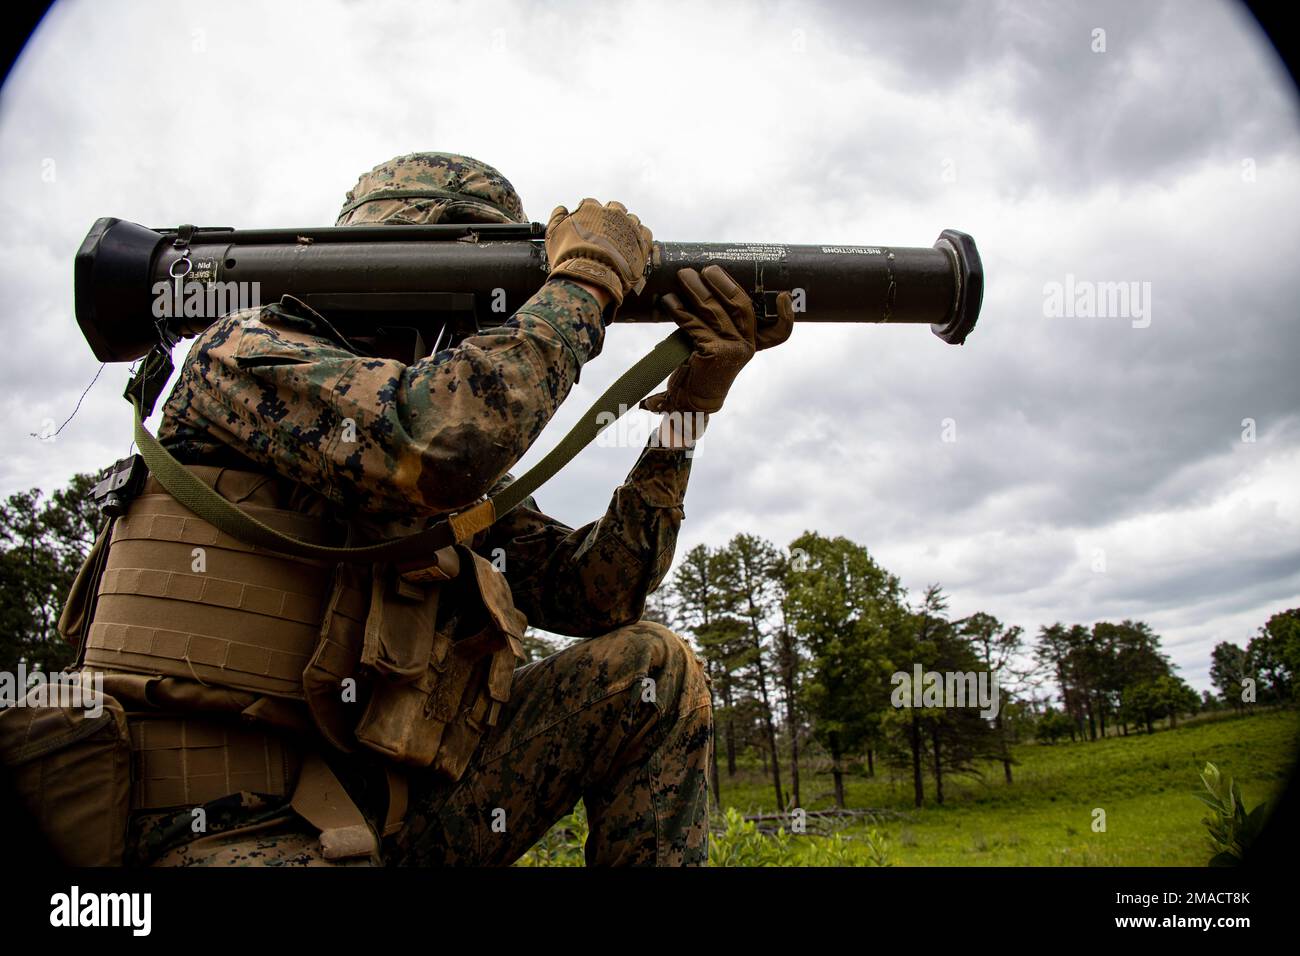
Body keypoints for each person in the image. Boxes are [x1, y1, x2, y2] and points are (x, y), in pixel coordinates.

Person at [23, 152, 793, 867]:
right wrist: (587, 281)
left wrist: (688, 414)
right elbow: (439, 441)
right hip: (207, 824)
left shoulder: (413, 465)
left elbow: (600, 593)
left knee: (649, 672)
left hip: (373, 821)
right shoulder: (243, 356)